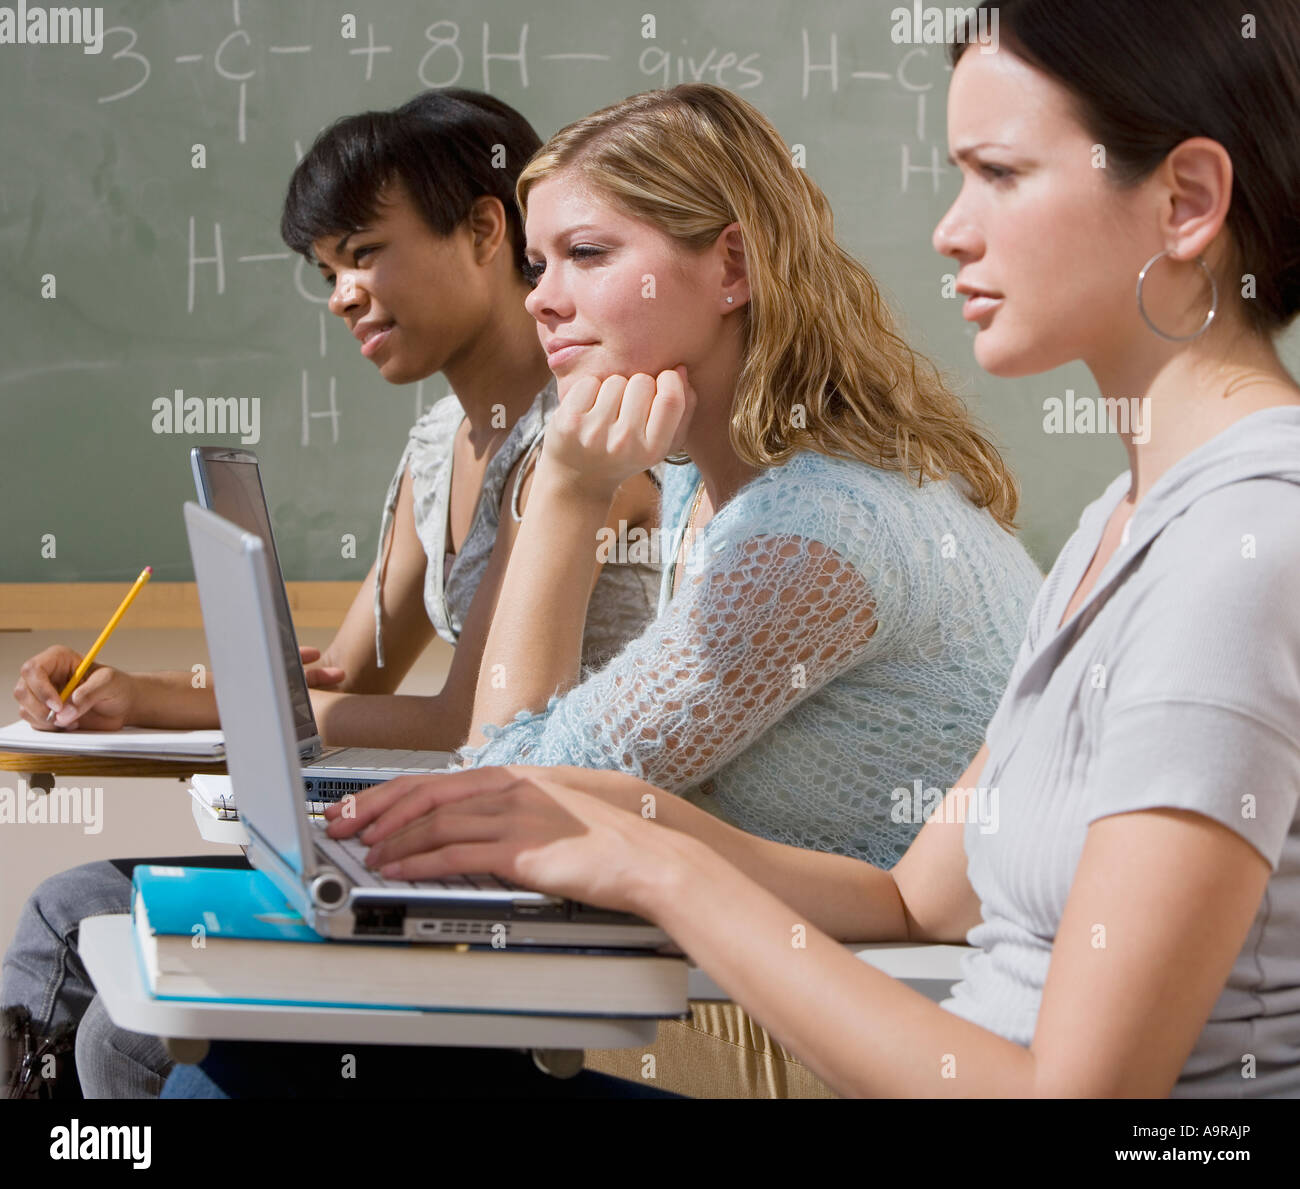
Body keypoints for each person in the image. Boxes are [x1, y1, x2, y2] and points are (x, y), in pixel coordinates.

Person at [168, 0, 1300, 1099]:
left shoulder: (1235, 553)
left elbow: (1076, 1095)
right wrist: (619, 827)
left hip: (870, 1051)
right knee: (232, 1044)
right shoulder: (1120, 531)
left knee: (236, 1061)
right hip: (888, 1022)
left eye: (999, 174)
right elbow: (910, 900)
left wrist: (655, 859)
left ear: (1187, 201)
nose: (951, 229)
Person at [1, 88, 661, 1100]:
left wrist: (175, 702)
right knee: (81, 926)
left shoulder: (578, 445)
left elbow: (457, 718)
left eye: (364, 250)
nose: (342, 294)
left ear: (488, 228)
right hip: (451, 833)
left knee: (76, 928)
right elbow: (350, 670)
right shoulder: (442, 441)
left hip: (531, 852)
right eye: (326, 271)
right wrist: (136, 692)